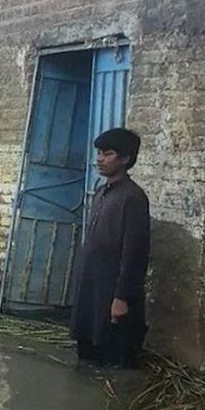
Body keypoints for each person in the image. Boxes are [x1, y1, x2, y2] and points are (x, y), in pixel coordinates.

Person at [69, 128, 151, 367]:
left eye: (108, 154)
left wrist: (122, 297)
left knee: (113, 359)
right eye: (99, 153)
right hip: (91, 288)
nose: (100, 159)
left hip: (112, 291)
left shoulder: (133, 198)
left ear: (125, 158)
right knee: (86, 354)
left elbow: (135, 252)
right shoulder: (101, 193)